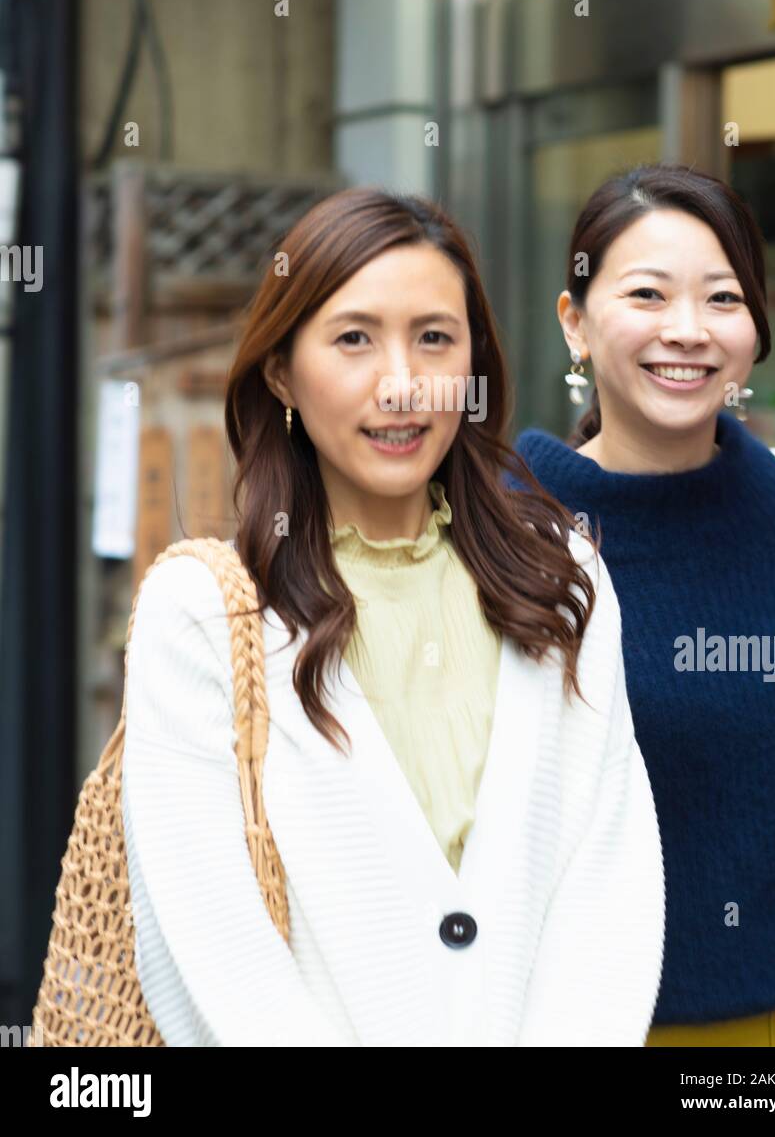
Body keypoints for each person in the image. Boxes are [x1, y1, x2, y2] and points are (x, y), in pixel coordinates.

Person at [121, 186, 664, 1047]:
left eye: (435, 339)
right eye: (353, 340)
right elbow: (208, 943)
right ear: (280, 371)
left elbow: (609, 881)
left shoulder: (563, 576)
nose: (403, 384)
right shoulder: (201, 616)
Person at [511, 161, 775, 1047]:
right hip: (615, 1027)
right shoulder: (512, 534)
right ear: (576, 323)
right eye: (647, 294)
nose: (688, 331)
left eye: (722, 299)